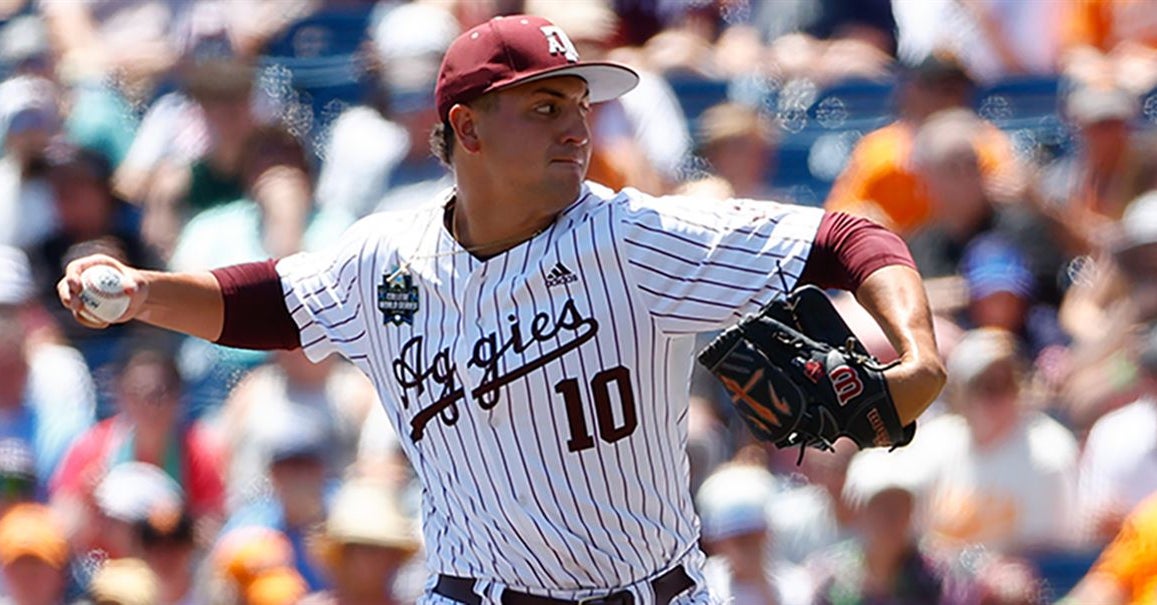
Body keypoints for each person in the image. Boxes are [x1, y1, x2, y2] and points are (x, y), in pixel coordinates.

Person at [56, 14, 945, 604]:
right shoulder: (386, 260)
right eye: (545, 106)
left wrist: (918, 357)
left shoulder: (633, 236)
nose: (577, 126)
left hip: (652, 591)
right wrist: (142, 291)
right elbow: (266, 302)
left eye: (580, 106)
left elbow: (848, 236)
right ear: (467, 127)